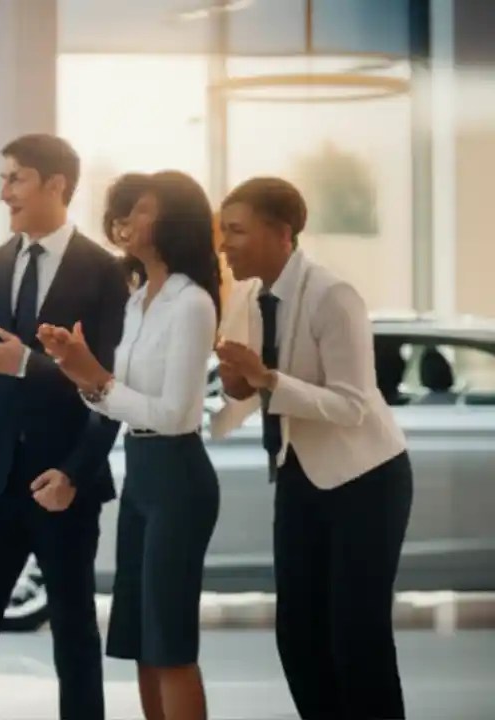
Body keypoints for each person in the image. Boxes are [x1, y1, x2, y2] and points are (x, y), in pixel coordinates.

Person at [0, 133, 129, 720]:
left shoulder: (105, 273)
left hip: (63, 480)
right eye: (4, 177)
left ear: (56, 185)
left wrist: (75, 474)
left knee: (74, 636)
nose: (4, 190)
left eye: (16, 178)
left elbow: (108, 386)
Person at [212, 177, 413, 720]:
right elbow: (256, 388)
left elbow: (351, 405)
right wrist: (239, 385)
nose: (225, 243)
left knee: (357, 636)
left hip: (367, 478)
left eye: (236, 231)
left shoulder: (333, 295)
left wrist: (267, 378)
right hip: (299, 474)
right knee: (297, 637)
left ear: (282, 233)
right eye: (222, 231)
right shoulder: (253, 298)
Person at [40, 171, 222, 720]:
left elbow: (171, 414)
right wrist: (78, 369)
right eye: (120, 210)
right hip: (141, 476)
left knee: (170, 645)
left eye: (138, 210)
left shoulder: (192, 304)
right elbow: (113, 399)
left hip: (177, 477)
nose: (123, 221)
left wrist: (95, 377)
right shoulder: (139, 299)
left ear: (175, 221)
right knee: (141, 641)